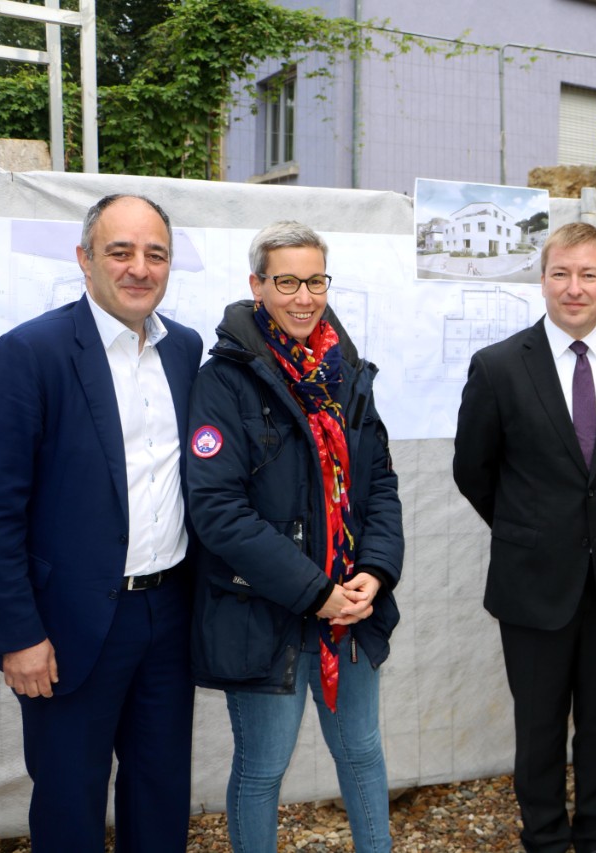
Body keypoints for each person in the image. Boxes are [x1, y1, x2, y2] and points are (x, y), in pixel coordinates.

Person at [0, 194, 203, 851]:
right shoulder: (27, 355)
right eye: (119, 251)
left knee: (160, 793)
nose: (138, 267)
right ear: (84, 259)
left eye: (155, 253)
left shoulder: (184, 349)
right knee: (70, 802)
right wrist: (18, 632)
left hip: (168, 617)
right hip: (65, 627)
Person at [185, 221, 403, 853]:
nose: (304, 297)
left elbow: (381, 483)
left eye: (315, 280)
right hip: (266, 612)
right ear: (257, 285)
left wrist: (377, 571)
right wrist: (315, 592)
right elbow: (219, 512)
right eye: (287, 281)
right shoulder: (225, 380)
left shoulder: (347, 371)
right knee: (262, 770)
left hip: (351, 611)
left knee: (363, 756)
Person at [453, 222, 596, 853]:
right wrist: (531, 530)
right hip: (533, 584)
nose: (575, 288)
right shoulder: (497, 367)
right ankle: (544, 838)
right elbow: (473, 471)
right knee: (539, 727)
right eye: (561, 274)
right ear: (542, 279)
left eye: (589, 274)